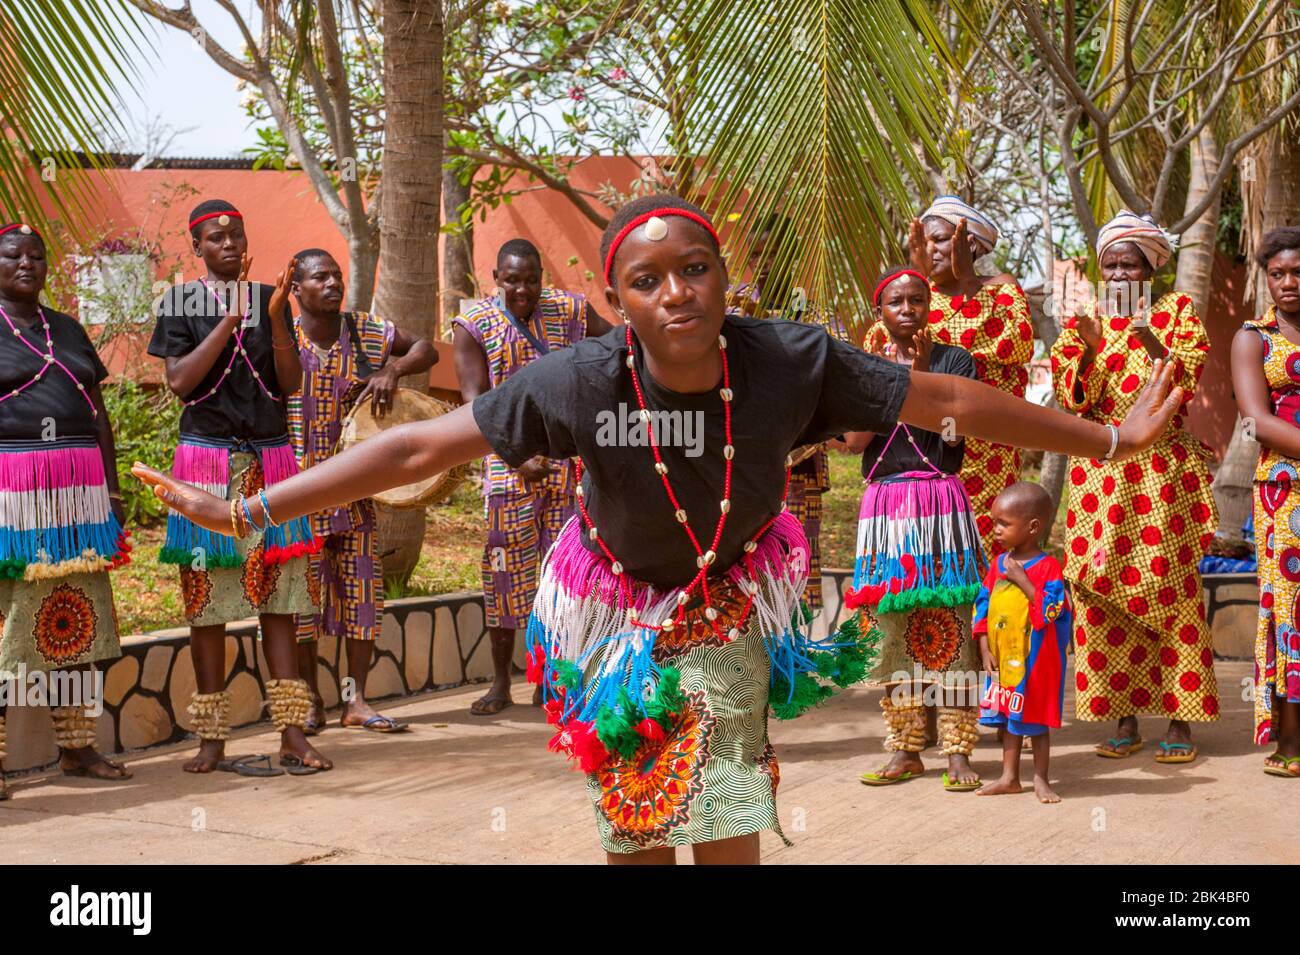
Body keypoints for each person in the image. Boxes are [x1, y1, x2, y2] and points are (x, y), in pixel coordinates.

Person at [134, 194, 1182, 865]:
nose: (676, 291)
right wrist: (248, 508)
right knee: (634, 823)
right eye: (648, 279)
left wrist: (1108, 438)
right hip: (608, 611)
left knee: (724, 810)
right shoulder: (577, 377)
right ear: (615, 296)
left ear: (723, 277)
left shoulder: (790, 359)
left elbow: (946, 400)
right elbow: (418, 450)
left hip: (728, 598)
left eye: (695, 269)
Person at [148, 199, 329, 776]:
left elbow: (292, 383)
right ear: (196, 246)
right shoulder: (180, 302)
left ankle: (293, 735)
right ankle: (212, 740)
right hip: (206, 464)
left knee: (279, 602)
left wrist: (274, 315)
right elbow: (180, 381)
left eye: (236, 235)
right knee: (208, 603)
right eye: (215, 237)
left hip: (271, 460)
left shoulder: (270, 299)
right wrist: (227, 321)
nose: (228, 243)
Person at [1051, 211, 1218, 764]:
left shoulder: (1176, 313)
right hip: (1099, 476)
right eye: (1111, 264)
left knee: (1169, 591)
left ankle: (1181, 719)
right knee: (1099, 592)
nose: (1120, 274)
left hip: (1161, 476)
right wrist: (1095, 346)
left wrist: (1144, 333)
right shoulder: (1083, 324)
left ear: (1151, 269)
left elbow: (1182, 383)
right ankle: (1123, 719)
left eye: (1131, 264)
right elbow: (1075, 401)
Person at [451, 238, 611, 715]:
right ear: (496, 278)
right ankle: (501, 682)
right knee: (503, 574)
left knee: (561, 578)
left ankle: (552, 682)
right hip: (506, 468)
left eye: (531, 279)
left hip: (565, 467)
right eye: (513, 279)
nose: (523, 289)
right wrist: (517, 457)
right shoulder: (473, 324)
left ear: (542, 277)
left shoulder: (569, 311)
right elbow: (473, 402)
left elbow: (615, 342)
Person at [0, 222, 132, 797]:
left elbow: (97, 412)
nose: (26, 264)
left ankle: (77, 749)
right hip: (14, 496)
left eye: (36, 256)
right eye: (12, 255)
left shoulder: (69, 329)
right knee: (8, 625)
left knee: (74, 618)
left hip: (80, 496)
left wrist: (112, 488)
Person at [287, 249, 439, 734]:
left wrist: (391, 370)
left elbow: (427, 349)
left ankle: (356, 701)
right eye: (319, 277)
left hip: (356, 494)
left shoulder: (365, 330)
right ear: (296, 289)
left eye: (336, 275)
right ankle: (311, 702)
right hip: (299, 492)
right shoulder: (283, 341)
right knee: (302, 605)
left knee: (362, 600)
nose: (332, 283)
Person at [845, 267, 985, 791]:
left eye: (917, 300)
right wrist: (884, 378)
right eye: (896, 301)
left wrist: (921, 372)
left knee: (948, 620)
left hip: (939, 505)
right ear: (879, 312)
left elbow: (952, 430)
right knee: (893, 628)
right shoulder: (866, 365)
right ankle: (905, 750)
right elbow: (856, 442)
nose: (908, 309)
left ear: (931, 306)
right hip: (885, 511)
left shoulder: (954, 360)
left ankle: (956, 753)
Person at [910, 197, 1034, 557]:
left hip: (988, 454)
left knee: (983, 557)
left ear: (972, 245)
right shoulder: (915, 299)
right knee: (927, 559)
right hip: (925, 452)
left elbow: (1018, 344)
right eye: (925, 241)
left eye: (941, 240)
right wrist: (917, 282)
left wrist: (968, 282)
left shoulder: (1000, 288)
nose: (930, 249)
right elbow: (888, 347)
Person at [725, 214, 834, 613]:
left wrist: (800, 444)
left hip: (801, 464)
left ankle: (795, 664)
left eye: (776, 251)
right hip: (743, 463)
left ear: (793, 253)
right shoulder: (733, 305)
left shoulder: (814, 310)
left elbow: (830, 382)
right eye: (759, 253)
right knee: (746, 564)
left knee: (799, 560)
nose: (767, 261)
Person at [1228, 225, 1300, 777]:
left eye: (1297, 272)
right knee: (1289, 608)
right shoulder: (1253, 337)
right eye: (1277, 274)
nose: (1288, 282)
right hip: (1284, 487)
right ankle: (1292, 738)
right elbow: (1256, 419)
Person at [974, 482, 1071, 802]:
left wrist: (1025, 581)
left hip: (1036, 663)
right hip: (1005, 662)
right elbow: (984, 602)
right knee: (1010, 718)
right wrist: (984, 645)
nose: (996, 530)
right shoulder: (998, 563)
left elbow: (1054, 611)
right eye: (995, 522)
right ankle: (1009, 777)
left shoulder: (1047, 567)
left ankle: (1041, 778)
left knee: (1035, 721)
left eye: (1004, 523)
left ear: (1032, 527)